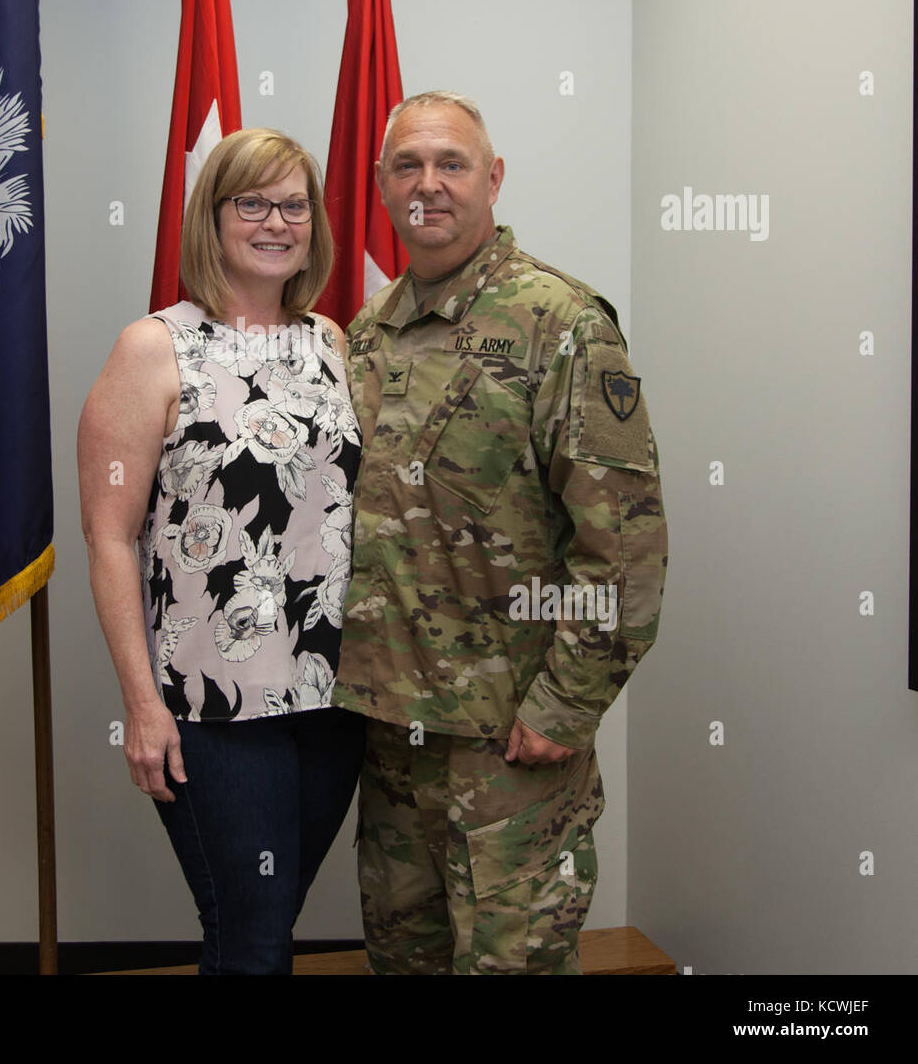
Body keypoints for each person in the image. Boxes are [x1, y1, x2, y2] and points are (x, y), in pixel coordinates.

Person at [333, 90, 668, 975]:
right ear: (380, 186)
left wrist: (565, 705)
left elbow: (624, 547)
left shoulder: (561, 324)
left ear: (494, 178)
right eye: (408, 165)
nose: (429, 185)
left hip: (510, 748)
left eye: (452, 164)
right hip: (394, 742)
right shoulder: (368, 333)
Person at [78, 127, 366, 975]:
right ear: (213, 216)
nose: (277, 221)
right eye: (253, 203)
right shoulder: (154, 347)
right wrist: (141, 703)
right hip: (212, 707)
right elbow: (108, 534)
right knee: (256, 936)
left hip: (331, 698)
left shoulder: (331, 342)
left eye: (295, 204)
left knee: (252, 925)